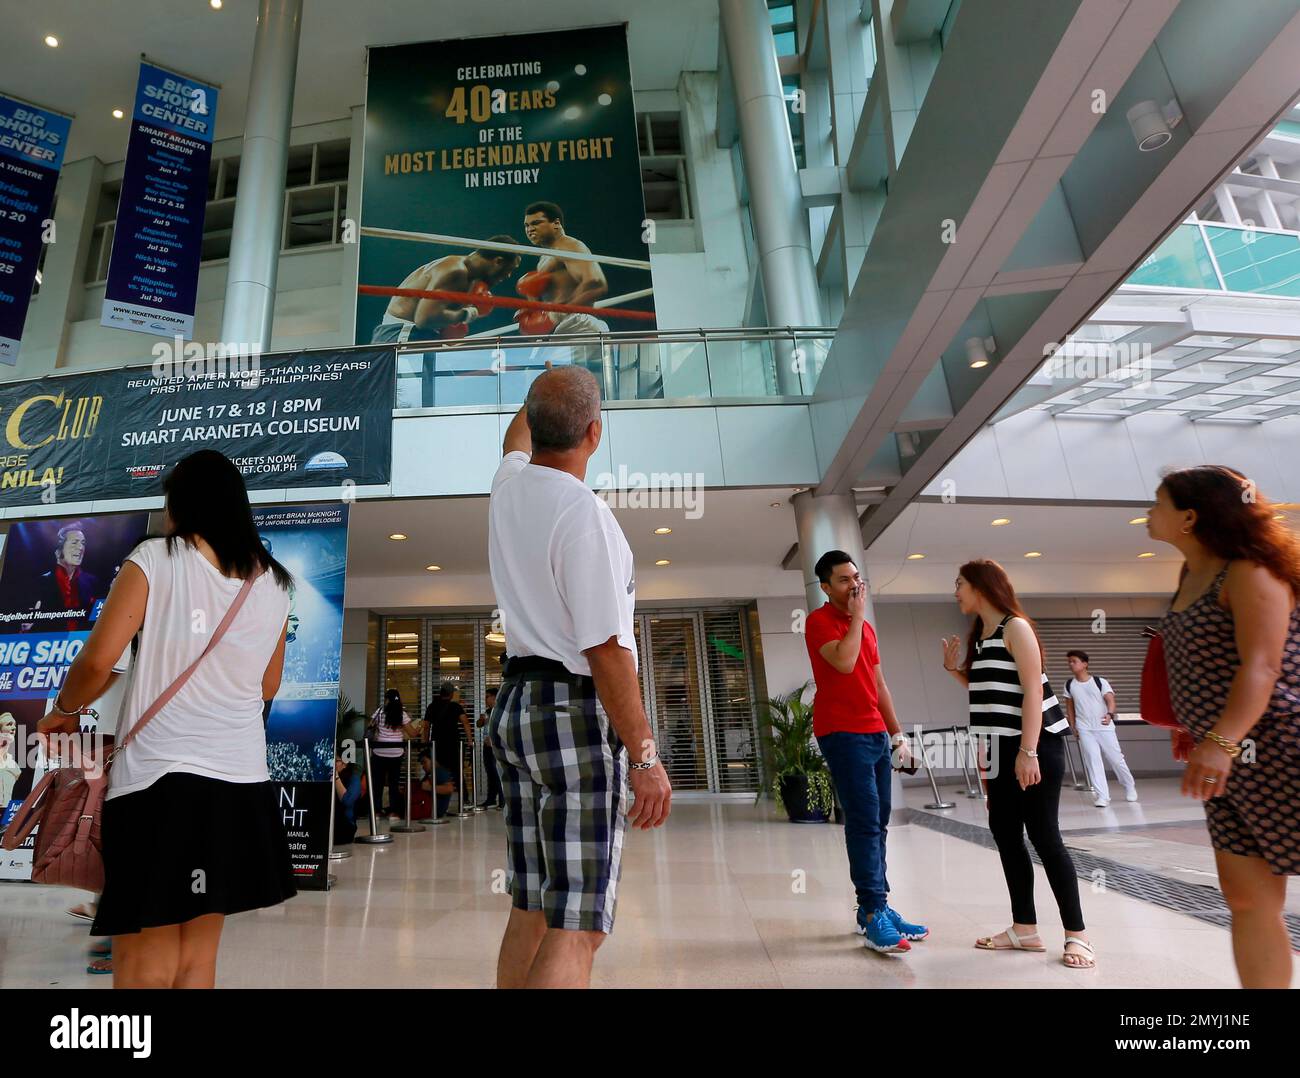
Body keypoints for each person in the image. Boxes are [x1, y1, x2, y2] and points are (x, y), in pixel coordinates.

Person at [39, 449, 296, 989]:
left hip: (160, 783)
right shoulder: (272, 582)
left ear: (181, 503)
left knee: (143, 957)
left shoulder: (155, 558)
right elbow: (268, 686)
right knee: (197, 959)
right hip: (240, 783)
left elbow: (97, 660)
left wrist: (62, 713)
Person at [487, 364, 671, 989]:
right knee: (579, 925)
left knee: (532, 906)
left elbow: (515, 440)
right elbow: (607, 651)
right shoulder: (584, 514)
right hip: (571, 716)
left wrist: (543, 392)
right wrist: (645, 757)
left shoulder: (509, 486)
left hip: (515, 706)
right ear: (597, 432)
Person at [1148, 465, 1300, 989]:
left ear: (1189, 517)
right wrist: (1193, 727)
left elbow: (1262, 666)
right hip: (1230, 756)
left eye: (1158, 503)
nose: (1148, 514)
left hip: (1281, 748)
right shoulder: (1192, 576)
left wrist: (1220, 739)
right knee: (1247, 898)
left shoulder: (1250, 571)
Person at [941, 559, 1094, 970]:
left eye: (959, 584)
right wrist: (955, 670)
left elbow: (1030, 692)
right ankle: (1024, 928)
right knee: (1005, 833)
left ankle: (1077, 936)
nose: (955, 591)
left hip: (1035, 742)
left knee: (1045, 837)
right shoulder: (984, 634)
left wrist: (1028, 752)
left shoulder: (1016, 628)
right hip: (997, 746)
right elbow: (990, 692)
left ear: (980, 586)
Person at [803, 550, 927, 954]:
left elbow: (879, 684)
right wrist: (856, 618)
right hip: (842, 732)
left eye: (856, 577)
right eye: (843, 580)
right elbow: (843, 662)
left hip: (874, 733)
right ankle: (872, 912)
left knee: (880, 821)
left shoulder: (866, 627)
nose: (854, 585)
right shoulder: (819, 622)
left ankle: (879, 907)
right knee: (862, 821)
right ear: (825, 586)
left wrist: (897, 735)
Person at [369, 241, 521, 344]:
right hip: (404, 334)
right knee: (406, 391)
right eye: (510, 269)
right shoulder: (457, 272)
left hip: (404, 335)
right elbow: (425, 319)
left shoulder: (458, 266)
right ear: (498, 261)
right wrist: (470, 313)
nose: (507, 276)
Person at [516, 202, 609, 337]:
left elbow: (596, 284)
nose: (530, 229)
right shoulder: (545, 257)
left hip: (577, 324)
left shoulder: (569, 245)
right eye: (527, 225)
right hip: (562, 327)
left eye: (536, 223)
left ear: (556, 223)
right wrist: (536, 313)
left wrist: (556, 315)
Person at [1062, 649, 1138, 807]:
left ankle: (1129, 785)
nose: (1071, 664)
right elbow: (1069, 707)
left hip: (1104, 725)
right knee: (1092, 760)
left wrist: (1110, 714)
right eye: (1069, 661)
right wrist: (1073, 726)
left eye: (1074, 661)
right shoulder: (1069, 684)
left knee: (1116, 759)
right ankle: (1103, 796)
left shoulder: (1099, 681)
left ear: (1085, 664)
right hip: (1084, 728)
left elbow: (1110, 700)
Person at [29, 523, 104, 632]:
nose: (80, 548)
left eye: (83, 543)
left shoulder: (92, 582)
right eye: (75, 543)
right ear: (59, 549)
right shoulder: (40, 583)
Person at [369, 689, 411, 820]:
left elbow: (370, 725)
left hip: (379, 752)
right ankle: (393, 812)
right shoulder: (402, 714)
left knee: (378, 783)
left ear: (387, 699)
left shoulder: (380, 712)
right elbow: (413, 733)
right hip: (396, 753)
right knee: (394, 783)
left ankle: (376, 811)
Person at [477, 687, 504, 809]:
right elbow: (478, 724)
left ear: (494, 697)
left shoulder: (501, 711)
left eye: (487, 697)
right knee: (490, 773)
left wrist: (494, 740)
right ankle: (491, 799)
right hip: (487, 747)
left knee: (498, 773)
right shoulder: (487, 712)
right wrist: (481, 720)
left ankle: (503, 801)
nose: (485, 699)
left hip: (497, 746)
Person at [333, 755, 362, 845]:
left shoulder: (354, 778)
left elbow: (347, 801)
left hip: (345, 825)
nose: (332, 764)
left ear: (344, 764)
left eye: (336, 761)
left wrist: (336, 777)